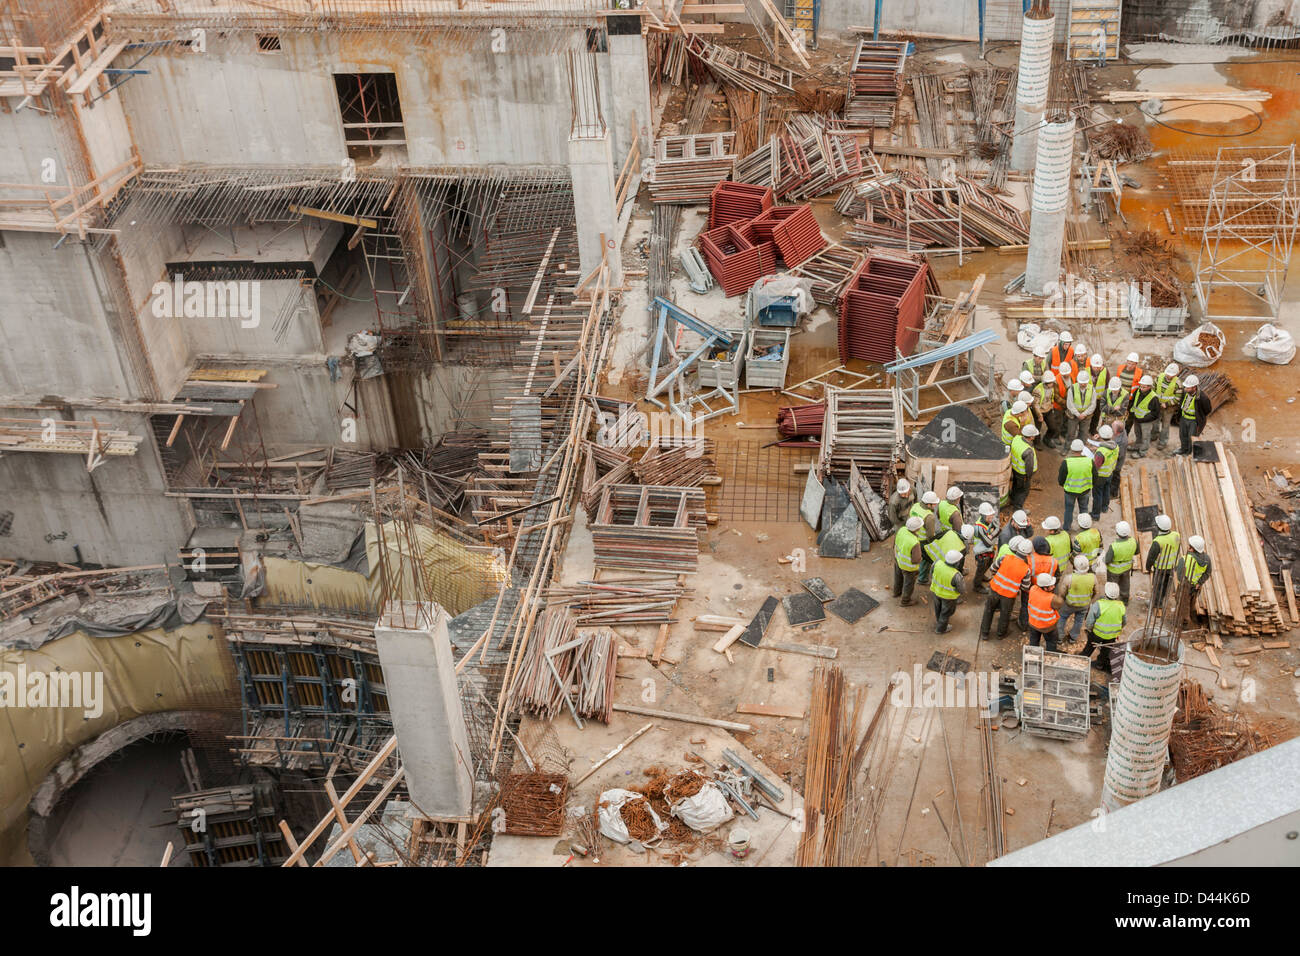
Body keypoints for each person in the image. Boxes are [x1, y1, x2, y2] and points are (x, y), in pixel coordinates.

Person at [980, 536, 1032, 640]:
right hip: (1008, 596)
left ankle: (984, 633)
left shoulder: (1005, 557)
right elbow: (1026, 587)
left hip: (994, 589)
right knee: (1005, 614)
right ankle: (1000, 634)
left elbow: (992, 568)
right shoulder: (1026, 569)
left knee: (988, 610)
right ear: (1028, 554)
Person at [1083, 582, 1127, 671]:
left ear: (1106, 593)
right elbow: (1124, 622)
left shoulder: (1098, 605)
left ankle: (1082, 660)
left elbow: (1089, 622)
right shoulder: (1121, 605)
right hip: (1112, 636)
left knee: (1089, 647)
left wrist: (1090, 629)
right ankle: (1100, 665)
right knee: (1105, 651)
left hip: (1097, 634)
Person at [1059, 554, 1097, 642]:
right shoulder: (1093, 578)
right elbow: (1095, 592)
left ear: (1075, 566)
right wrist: (1089, 600)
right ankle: (1073, 638)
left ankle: (1059, 637)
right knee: (1079, 621)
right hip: (1084, 605)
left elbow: (1062, 592)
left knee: (1062, 618)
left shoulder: (1069, 578)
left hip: (1069, 604)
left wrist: (1063, 600)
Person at [1147, 513, 1181, 607]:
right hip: (1173, 566)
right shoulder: (1176, 535)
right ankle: (1161, 599)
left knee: (1158, 585)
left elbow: (1151, 557)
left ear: (1158, 527)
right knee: (1166, 585)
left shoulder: (1158, 541)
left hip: (1161, 568)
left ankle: (1157, 603)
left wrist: (1148, 567)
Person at [1058, 440, 1093, 528]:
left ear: (1072, 449)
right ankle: (1084, 526)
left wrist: (1063, 485)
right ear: (1082, 450)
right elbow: (1095, 476)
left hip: (1070, 491)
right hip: (1085, 491)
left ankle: (1066, 527)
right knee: (1084, 509)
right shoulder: (1090, 461)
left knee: (1069, 510)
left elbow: (1061, 478)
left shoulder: (1066, 462)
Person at [1174, 375, 1211, 457]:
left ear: (1194, 387)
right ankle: (1183, 449)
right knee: (1182, 435)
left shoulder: (1202, 397)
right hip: (1184, 418)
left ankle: (1188, 453)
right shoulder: (1186, 393)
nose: (1186, 389)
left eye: (1188, 388)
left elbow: (1207, 410)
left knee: (1192, 438)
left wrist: (1199, 419)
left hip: (1194, 421)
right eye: (1185, 387)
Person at [930, 550, 965, 634]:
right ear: (956, 563)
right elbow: (962, 590)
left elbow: (931, 573)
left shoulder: (937, 563)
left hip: (936, 591)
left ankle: (939, 622)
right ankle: (941, 629)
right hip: (948, 597)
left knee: (938, 609)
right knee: (945, 613)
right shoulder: (956, 575)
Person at [1177, 535, 1213, 617]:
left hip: (1185, 586)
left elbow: (1179, 576)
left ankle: (1184, 623)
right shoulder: (1207, 559)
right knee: (1191, 603)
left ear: (1192, 548)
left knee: (1183, 605)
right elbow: (1208, 573)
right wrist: (1199, 583)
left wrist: (1185, 585)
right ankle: (1190, 616)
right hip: (1197, 587)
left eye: (1189, 545)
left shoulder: (1184, 559)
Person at [892, 516, 924, 606]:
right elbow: (916, 560)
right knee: (908, 584)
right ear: (917, 529)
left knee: (898, 577)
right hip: (908, 567)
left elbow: (894, 543)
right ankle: (905, 601)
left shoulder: (902, 530)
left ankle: (896, 592)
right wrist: (921, 559)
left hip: (898, 559)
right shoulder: (914, 542)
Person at [1027, 573, 1063, 651]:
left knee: (1034, 640)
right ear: (1045, 588)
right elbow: (1059, 604)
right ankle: (1051, 654)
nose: (1054, 587)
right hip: (1047, 627)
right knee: (1051, 642)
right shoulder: (1053, 599)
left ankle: (1033, 654)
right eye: (1051, 586)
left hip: (1033, 623)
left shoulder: (1033, 588)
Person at [1103, 521, 1137, 603]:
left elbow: (1107, 560)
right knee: (1125, 584)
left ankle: (1111, 601)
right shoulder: (1133, 541)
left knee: (1112, 586)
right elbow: (1136, 552)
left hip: (1113, 571)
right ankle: (1125, 600)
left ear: (1117, 532)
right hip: (1126, 568)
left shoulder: (1114, 546)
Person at [911, 490, 941, 582]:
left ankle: (916, 571)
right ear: (928, 505)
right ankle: (922, 579)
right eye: (934, 504)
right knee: (926, 559)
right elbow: (930, 535)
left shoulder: (915, 506)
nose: (935, 506)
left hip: (913, 536)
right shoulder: (929, 516)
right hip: (923, 541)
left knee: (916, 556)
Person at [1091, 424, 1120, 518]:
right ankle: (1105, 507)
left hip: (1100, 476)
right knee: (1106, 490)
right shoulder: (1115, 446)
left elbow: (1096, 466)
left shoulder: (1101, 452)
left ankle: (1095, 514)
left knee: (1097, 495)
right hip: (1109, 473)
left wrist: (1094, 454)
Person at [971, 502, 1000, 594]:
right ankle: (977, 585)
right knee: (981, 568)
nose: (991, 519)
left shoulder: (989, 520)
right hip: (982, 552)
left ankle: (982, 576)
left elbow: (998, 528)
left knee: (988, 564)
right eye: (989, 517)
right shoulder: (979, 528)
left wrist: (992, 535)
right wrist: (994, 535)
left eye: (992, 516)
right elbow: (988, 543)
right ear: (983, 516)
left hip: (989, 550)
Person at [1009, 424, 1039, 510]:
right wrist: (1028, 477)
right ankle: (1018, 508)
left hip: (1015, 469)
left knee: (1016, 484)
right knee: (1023, 491)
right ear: (1031, 437)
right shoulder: (1028, 451)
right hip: (1023, 474)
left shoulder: (1017, 438)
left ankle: (1013, 498)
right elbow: (1029, 467)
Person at [1130, 375, 1160, 458]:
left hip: (1146, 421)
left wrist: (1144, 419)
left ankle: (1142, 451)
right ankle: (1137, 446)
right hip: (1137, 418)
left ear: (1149, 387)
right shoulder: (1138, 391)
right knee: (1138, 434)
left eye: (1144, 387)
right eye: (1141, 386)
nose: (1141, 388)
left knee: (1145, 437)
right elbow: (1133, 401)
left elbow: (1155, 414)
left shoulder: (1154, 398)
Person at [1065, 370, 1096, 447]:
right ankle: (1068, 446)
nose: (1083, 384)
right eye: (1081, 383)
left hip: (1086, 416)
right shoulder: (1072, 388)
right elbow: (1070, 404)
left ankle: (1081, 448)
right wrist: (1078, 414)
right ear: (1078, 381)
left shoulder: (1092, 389)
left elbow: (1093, 404)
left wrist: (1084, 414)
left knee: (1084, 433)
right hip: (1074, 415)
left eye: (1084, 383)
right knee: (1071, 433)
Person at [1154, 362, 1181, 450]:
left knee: (1165, 425)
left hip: (1169, 408)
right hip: (1157, 404)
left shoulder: (1178, 383)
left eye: (1171, 375)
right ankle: (1154, 435)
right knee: (1155, 421)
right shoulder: (1159, 377)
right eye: (1168, 374)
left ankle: (1163, 441)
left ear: (1176, 374)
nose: (1169, 376)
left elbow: (1178, 397)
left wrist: (1167, 404)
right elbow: (1153, 389)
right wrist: (1155, 401)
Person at [1108, 413, 1129, 502]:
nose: (1111, 430)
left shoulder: (1122, 442)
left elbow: (1120, 455)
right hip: (1113, 461)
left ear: (1117, 431)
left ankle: (1113, 493)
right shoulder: (1119, 432)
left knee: (1115, 477)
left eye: (1112, 428)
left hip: (1116, 464)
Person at [1087, 354, 1109, 434]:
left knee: (1096, 416)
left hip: (1099, 399)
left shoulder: (1105, 371)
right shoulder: (1086, 371)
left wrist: (1105, 398)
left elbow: (1107, 385)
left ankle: (1092, 430)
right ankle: (1084, 430)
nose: (1096, 369)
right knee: (1087, 415)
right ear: (1091, 365)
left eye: (1098, 367)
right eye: (1094, 367)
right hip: (1088, 399)